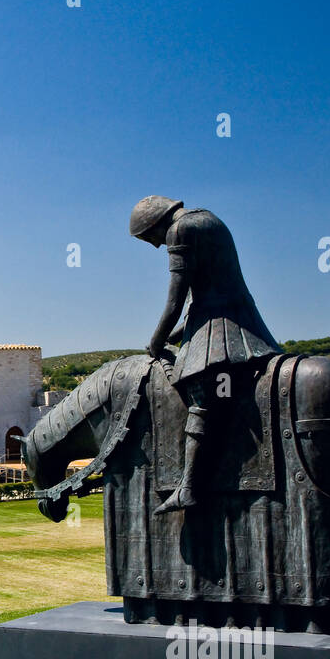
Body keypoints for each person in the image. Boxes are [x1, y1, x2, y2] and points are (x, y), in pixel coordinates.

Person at [131, 195, 281, 513]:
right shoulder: (208, 219)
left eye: (149, 238)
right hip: (228, 315)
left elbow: (175, 301)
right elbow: (198, 304)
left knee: (199, 398)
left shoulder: (179, 230)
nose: (155, 245)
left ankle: (189, 487)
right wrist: (172, 337)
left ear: (156, 223)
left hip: (223, 326)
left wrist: (156, 343)